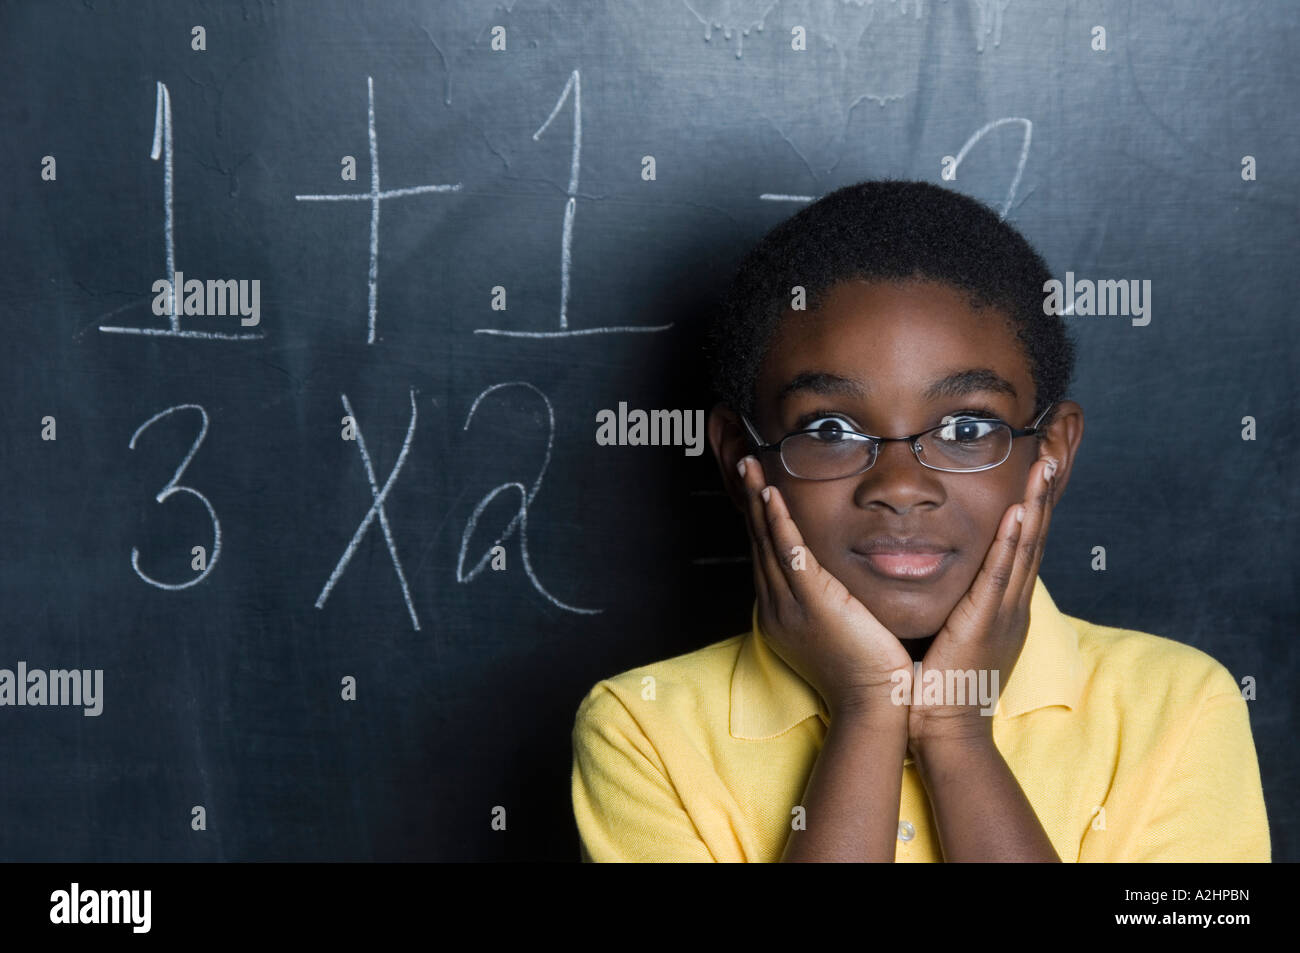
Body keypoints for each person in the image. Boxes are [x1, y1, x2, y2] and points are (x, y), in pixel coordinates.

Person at [570, 180, 1269, 862]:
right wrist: (868, 712)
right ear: (738, 458)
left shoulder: (1180, 708)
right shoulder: (644, 730)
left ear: (1050, 455)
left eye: (967, 428)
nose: (901, 487)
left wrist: (958, 731)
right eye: (832, 427)